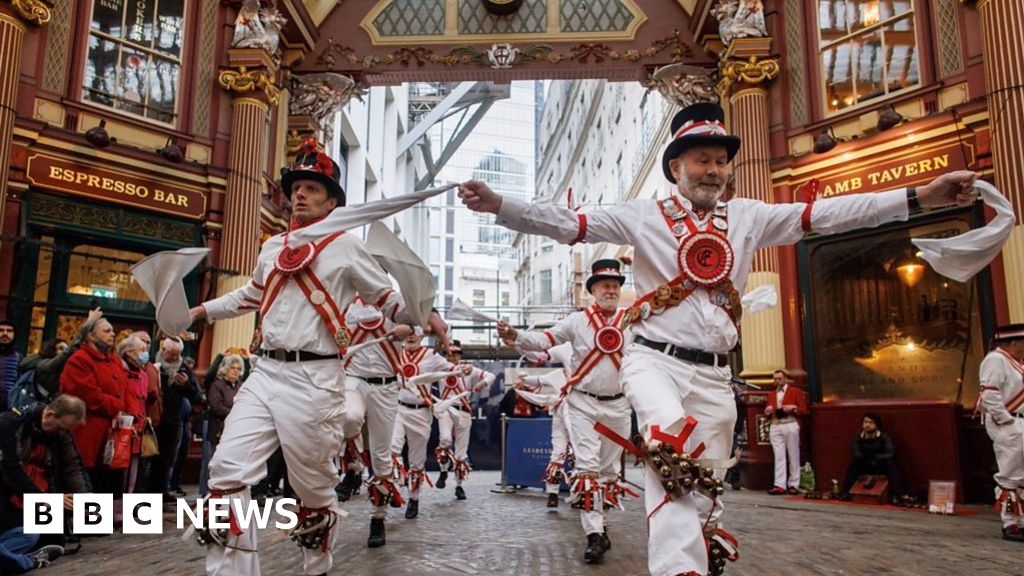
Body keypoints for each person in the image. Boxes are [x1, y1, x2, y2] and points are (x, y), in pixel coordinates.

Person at [459, 100, 982, 576]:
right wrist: (501, 205)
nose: (713, 169)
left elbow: (826, 214)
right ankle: (677, 571)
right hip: (652, 362)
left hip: (714, 374)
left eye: (720, 160)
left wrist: (916, 195)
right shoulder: (643, 216)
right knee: (669, 443)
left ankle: (704, 549)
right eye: (702, 159)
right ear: (675, 169)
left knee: (706, 484)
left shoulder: (750, 217)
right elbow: (569, 223)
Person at [188, 141, 418, 576]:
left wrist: (424, 317)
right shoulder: (272, 246)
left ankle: (316, 566)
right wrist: (204, 310)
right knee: (225, 473)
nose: (299, 195)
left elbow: (386, 300)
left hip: (316, 378)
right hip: (265, 371)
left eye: (312, 188)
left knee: (311, 487)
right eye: (296, 187)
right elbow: (251, 295)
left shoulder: (348, 247)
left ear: (332, 202)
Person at [497, 259, 633, 564]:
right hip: (582, 403)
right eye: (604, 286)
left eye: (615, 285)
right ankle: (593, 534)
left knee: (610, 471)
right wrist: (516, 336)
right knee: (587, 468)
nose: (611, 290)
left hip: (619, 404)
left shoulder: (631, 321)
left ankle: (603, 524)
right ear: (593, 291)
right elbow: (545, 340)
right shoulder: (576, 321)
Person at [336, 295, 405, 548]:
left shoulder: (396, 304)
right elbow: (337, 340)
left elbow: (419, 325)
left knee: (381, 457)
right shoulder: (345, 304)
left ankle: (378, 518)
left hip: (386, 385)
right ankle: (353, 468)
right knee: (350, 416)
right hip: (353, 379)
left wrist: (408, 327)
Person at [0, 395, 90, 573]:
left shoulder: (59, 433)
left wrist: (86, 501)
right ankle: (26, 561)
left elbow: (73, 466)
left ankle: (13, 556)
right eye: (62, 429)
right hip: (10, 497)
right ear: (49, 415)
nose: (63, 434)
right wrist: (46, 499)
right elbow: (10, 470)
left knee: (51, 540)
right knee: (30, 534)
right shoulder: (11, 424)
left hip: (34, 497)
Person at [59, 316, 130, 509]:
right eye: (106, 331)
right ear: (91, 335)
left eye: (112, 331)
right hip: (87, 430)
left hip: (111, 431)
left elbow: (125, 388)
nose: (112, 334)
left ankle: (99, 519)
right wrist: (117, 405)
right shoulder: (79, 360)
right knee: (86, 475)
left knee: (107, 477)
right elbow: (87, 394)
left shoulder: (114, 360)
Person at [390, 329, 454, 520]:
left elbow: (448, 368)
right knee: (392, 449)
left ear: (422, 336)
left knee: (416, 460)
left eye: (415, 332)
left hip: (421, 411)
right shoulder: (393, 351)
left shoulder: (431, 355)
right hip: (398, 408)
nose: (411, 336)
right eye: (408, 332)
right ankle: (394, 488)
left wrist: (461, 369)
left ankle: (414, 499)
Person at [977, 323, 1024, 542]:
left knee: (1021, 475)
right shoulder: (995, 361)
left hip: (1019, 422)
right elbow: (990, 395)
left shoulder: (1015, 362)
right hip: (1010, 424)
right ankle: (1010, 522)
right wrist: (1006, 421)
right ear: (1013, 342)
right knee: (1010, 474)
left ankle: (1020, 519)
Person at [434, 340, 494, 499]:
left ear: (460, 355)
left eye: (456, 353)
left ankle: (459, 485)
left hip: (463, 410)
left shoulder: (469, 369)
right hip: (446, 408)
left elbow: (491, 375)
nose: (453, 356)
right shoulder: (440, 367)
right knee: (445, 439)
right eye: (450, 353)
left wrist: (483, 383)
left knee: (461, 452)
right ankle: (443, 470)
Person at [152, 337, 200, 500]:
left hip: (173, 420)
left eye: (177, 354)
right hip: (153, 420)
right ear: (162, 350)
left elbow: (197, 395)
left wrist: (186, 385)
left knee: (166, 460)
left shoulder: (184, 369)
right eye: (171, 354)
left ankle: (160, 493)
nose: (174, 358)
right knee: (149, 459)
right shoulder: (152, 365)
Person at [837, 413, 907, 505]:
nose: (867, 425)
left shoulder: (884, 437)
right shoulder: (857, 437)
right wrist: (868, 458)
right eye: (865, 422)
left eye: (871, 422)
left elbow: (890, 453)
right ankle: (846, 492)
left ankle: (895, 496)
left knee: (890, 465)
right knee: (854, 464)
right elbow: (856, 453)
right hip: (864, 464)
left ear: (877, 425)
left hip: (880, 464)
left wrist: (875, 457)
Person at [765, 370, 807, 495]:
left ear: (786, 379)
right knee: (778, 455)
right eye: (775, 379)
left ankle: (794, 484)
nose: (777, 381)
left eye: (779, 379)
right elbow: (767, 410)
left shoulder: (795, 392)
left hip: (790, 423)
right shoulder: (772, 394)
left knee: (793, 454)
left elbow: (804, 410)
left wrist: (793, 408)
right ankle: (779, 484)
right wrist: (767, 410)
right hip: (775, 425)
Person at [117, 334, 149, 494]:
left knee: (133, 473)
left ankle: (125, 508)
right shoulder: (119, 370)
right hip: (122, 428)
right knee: (118, 474)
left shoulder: (144, 375)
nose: (145, 353)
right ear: (129, 352)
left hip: (139, 430)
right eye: (142, 350)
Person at [0, 318, 22, 407]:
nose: (5, 333)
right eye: (1, 330)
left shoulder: (19, 358)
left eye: (9, 331)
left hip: (9, 408)